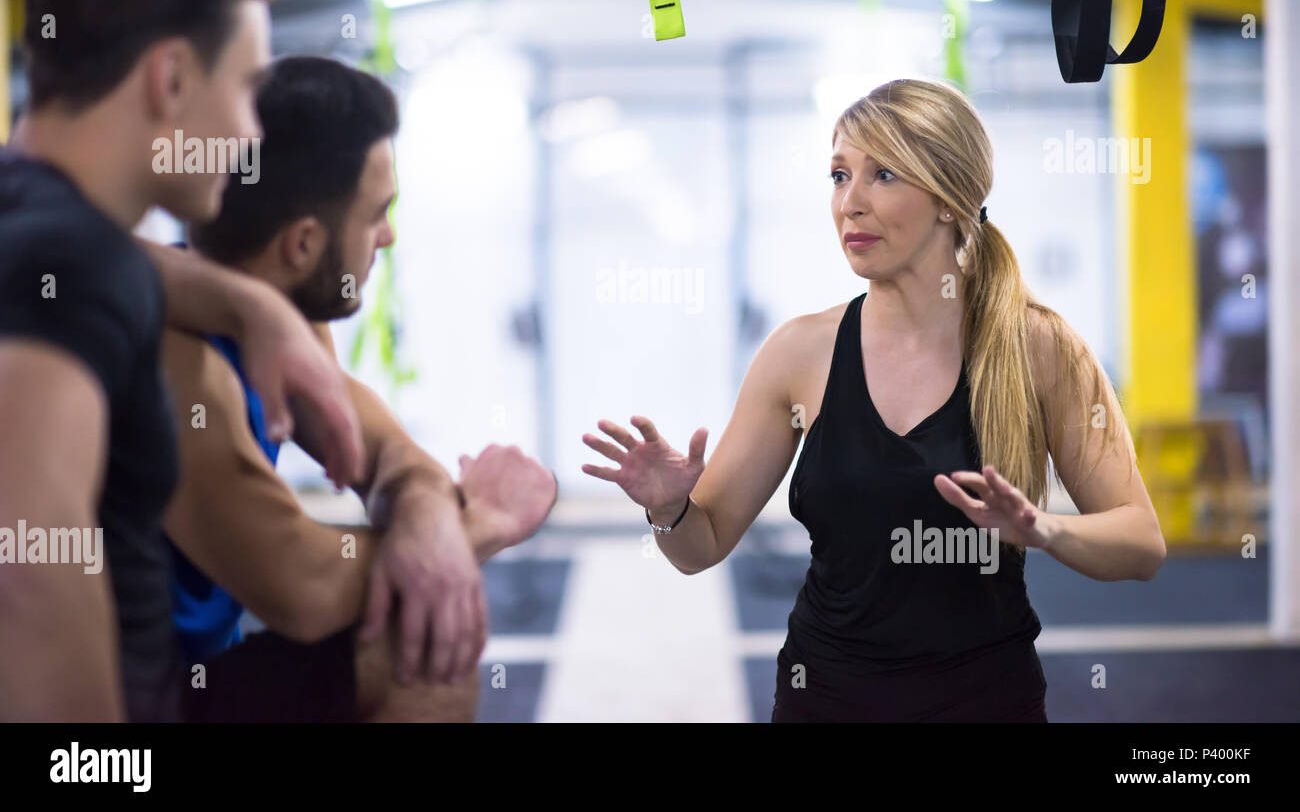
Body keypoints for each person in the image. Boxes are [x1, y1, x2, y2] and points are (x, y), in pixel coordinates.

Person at [581, 78, 1167, 722]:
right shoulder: (799, 355)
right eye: (838, 175)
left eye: (882, 174)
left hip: (987, 703)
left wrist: (1042, 528)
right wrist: (669, 509)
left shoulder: (1040, 348)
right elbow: (703, 545)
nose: (849, 204)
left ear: (948, 199)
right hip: (826, 699)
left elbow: (1141, 543)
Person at [0, 0, 368, 722]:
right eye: (243, 89)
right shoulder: (75, 263)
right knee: (404, 647)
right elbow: (25, 569)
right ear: (170, 79)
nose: (247, 134)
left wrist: (252, 307)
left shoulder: (39, 223)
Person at [163, 55, 557, 721]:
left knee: (424, 642)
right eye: (378, 213)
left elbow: (390, 456)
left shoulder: (286, 327)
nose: (389, 235)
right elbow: (301, 583)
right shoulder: (176, 358)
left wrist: (431, 517)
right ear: (303, 243)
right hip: (104, 727)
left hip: (199, 678)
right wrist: (479, 525)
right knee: (421, 647)